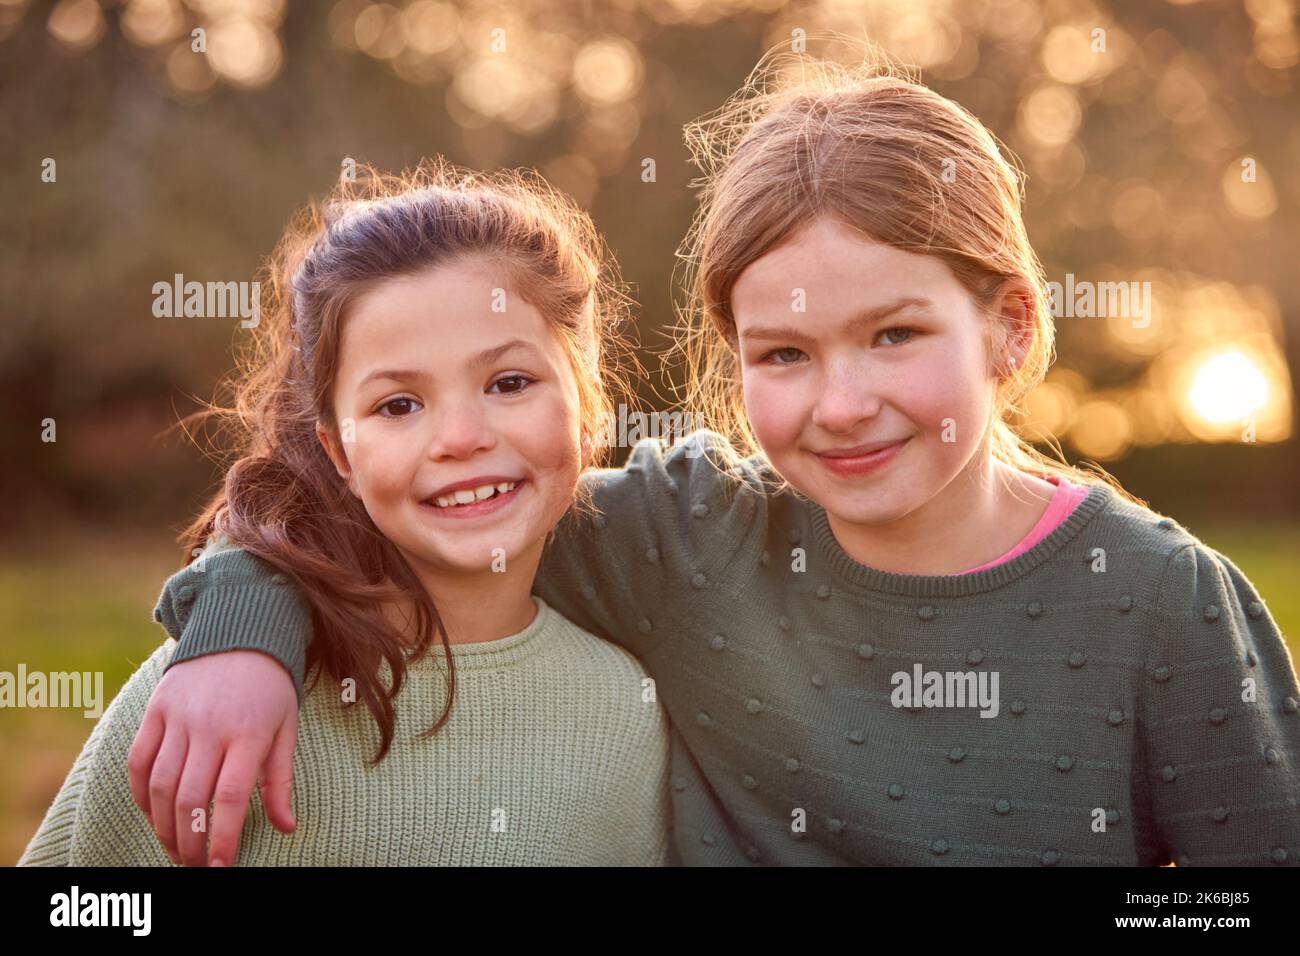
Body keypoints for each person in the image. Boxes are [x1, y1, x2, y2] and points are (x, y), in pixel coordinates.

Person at [111, 52, 1300, 866]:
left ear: (1011, 327)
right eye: (782, 353)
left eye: (894, 333)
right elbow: (400, 496)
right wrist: (242, 626)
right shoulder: (681, 539)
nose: (842, 403)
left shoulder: (1162, 600)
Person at [19, 161, 670, 867]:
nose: (461, 438)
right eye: (398, 405)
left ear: (589, 403)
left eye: (509, 382)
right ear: (338, 453)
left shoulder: (623, 714)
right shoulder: (214, 692)